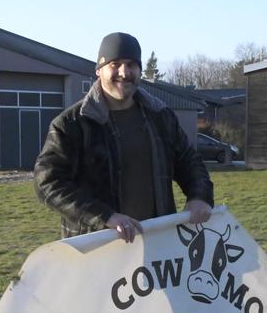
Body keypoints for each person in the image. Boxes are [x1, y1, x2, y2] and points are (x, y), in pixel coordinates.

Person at [34, 32, 213, 242]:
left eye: (131, 65)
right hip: (98, 248)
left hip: (157, 246)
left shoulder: (161, 117)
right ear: (99, 71)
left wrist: (199, 196)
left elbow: (189, 161)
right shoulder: (72, 124)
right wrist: (104, 216)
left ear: (139, 71)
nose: (124, 72)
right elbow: (47, 183)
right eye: (115, 64)